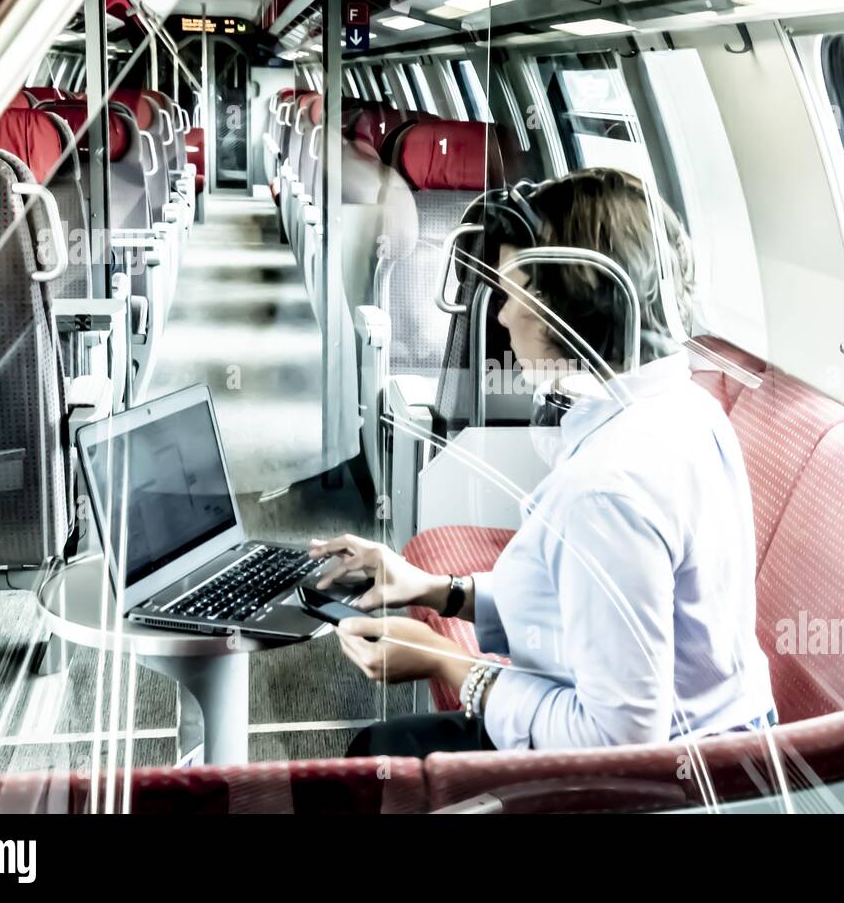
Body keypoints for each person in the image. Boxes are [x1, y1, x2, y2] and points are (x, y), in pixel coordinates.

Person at [311, 167, 776, 757]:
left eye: (512, 294)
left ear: (572, 308)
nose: (501, 318)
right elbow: (579, 604)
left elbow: (619, 743)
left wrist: (451, 663)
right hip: (718, 743)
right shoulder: (688, 406)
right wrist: (435, 591)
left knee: (376, 761)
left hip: (663, 783)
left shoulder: (608, 488)